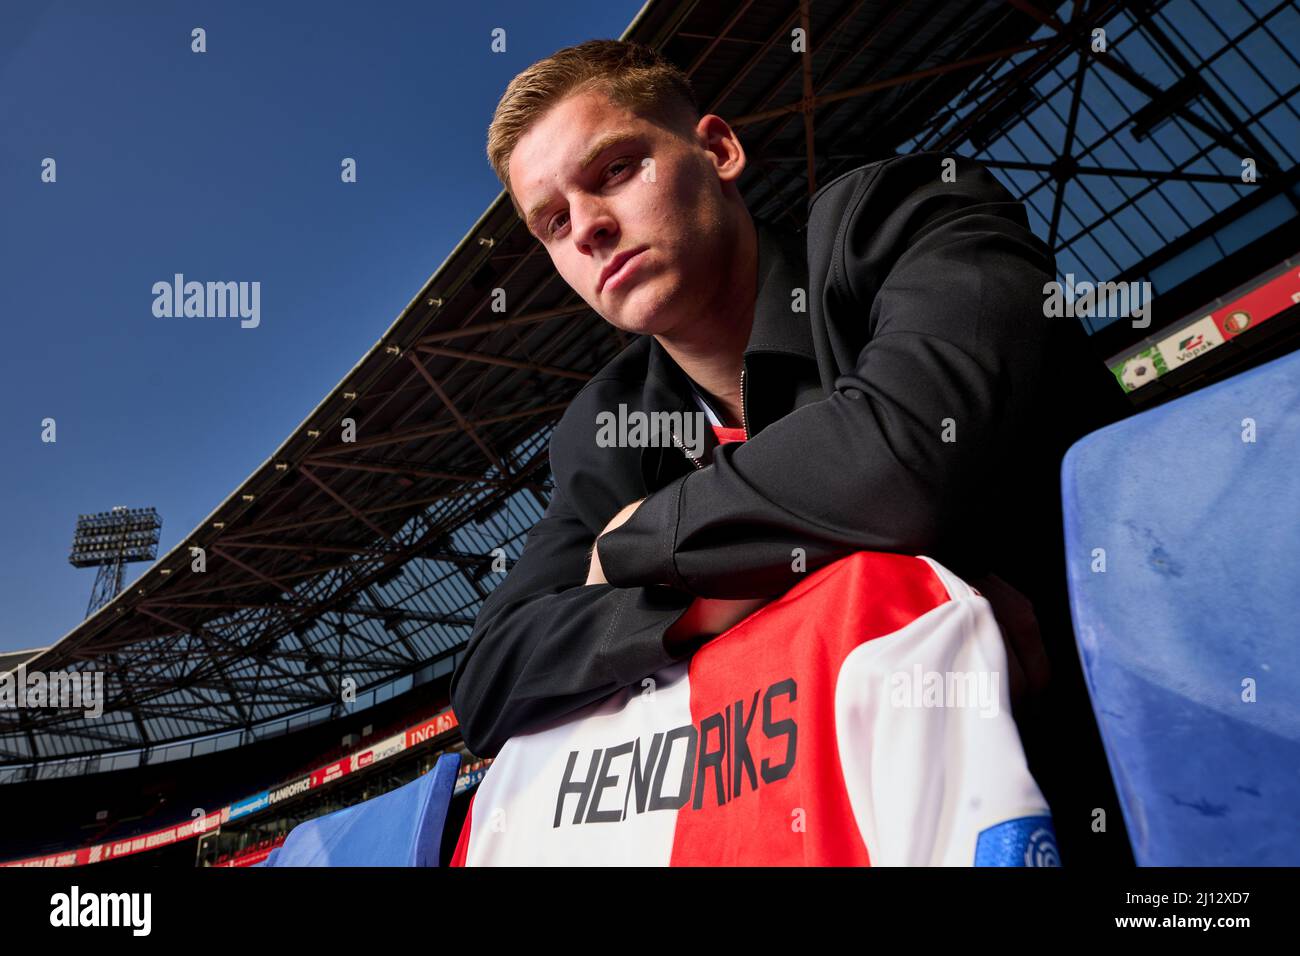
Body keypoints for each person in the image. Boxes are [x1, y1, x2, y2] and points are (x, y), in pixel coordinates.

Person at [450, 39, 1133, 866]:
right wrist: (746, 606)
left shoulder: (901, 220)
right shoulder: (607, 422)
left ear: (718, 150)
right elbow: (492, 677)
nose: (589, 227)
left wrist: (638, 540)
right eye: (553, 222)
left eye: (617, 171)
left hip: (1139, 763)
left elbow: (910, 459)